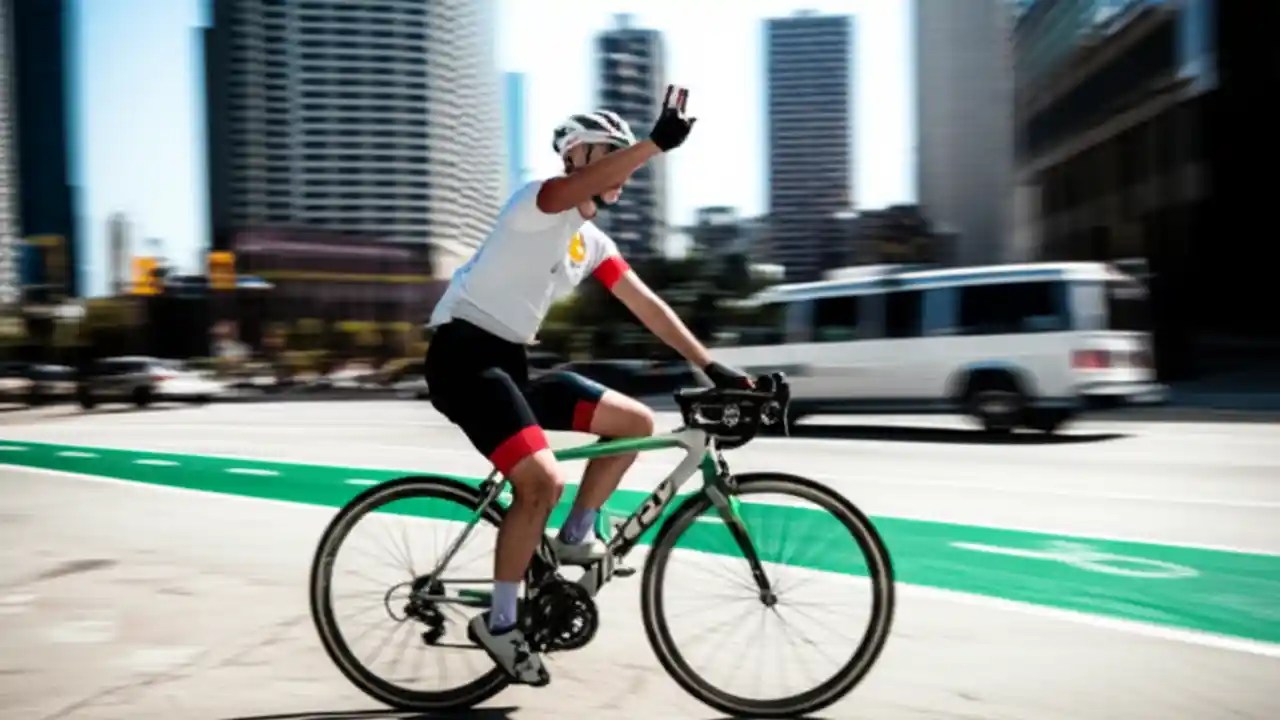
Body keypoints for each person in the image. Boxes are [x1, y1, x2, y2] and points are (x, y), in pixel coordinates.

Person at [424, 86, 751, 686]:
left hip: (510, 363)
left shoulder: (590, 239)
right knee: (541, 479)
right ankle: (500, 624)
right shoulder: (539, 201)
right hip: (463, 358)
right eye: (607, 153)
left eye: (622, 155)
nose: (619, 166)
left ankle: (576, 535)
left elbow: (646, 305)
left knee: (634, 424)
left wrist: (712, 365)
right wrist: (653, 144)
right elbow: (570, 192)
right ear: (575, 158)